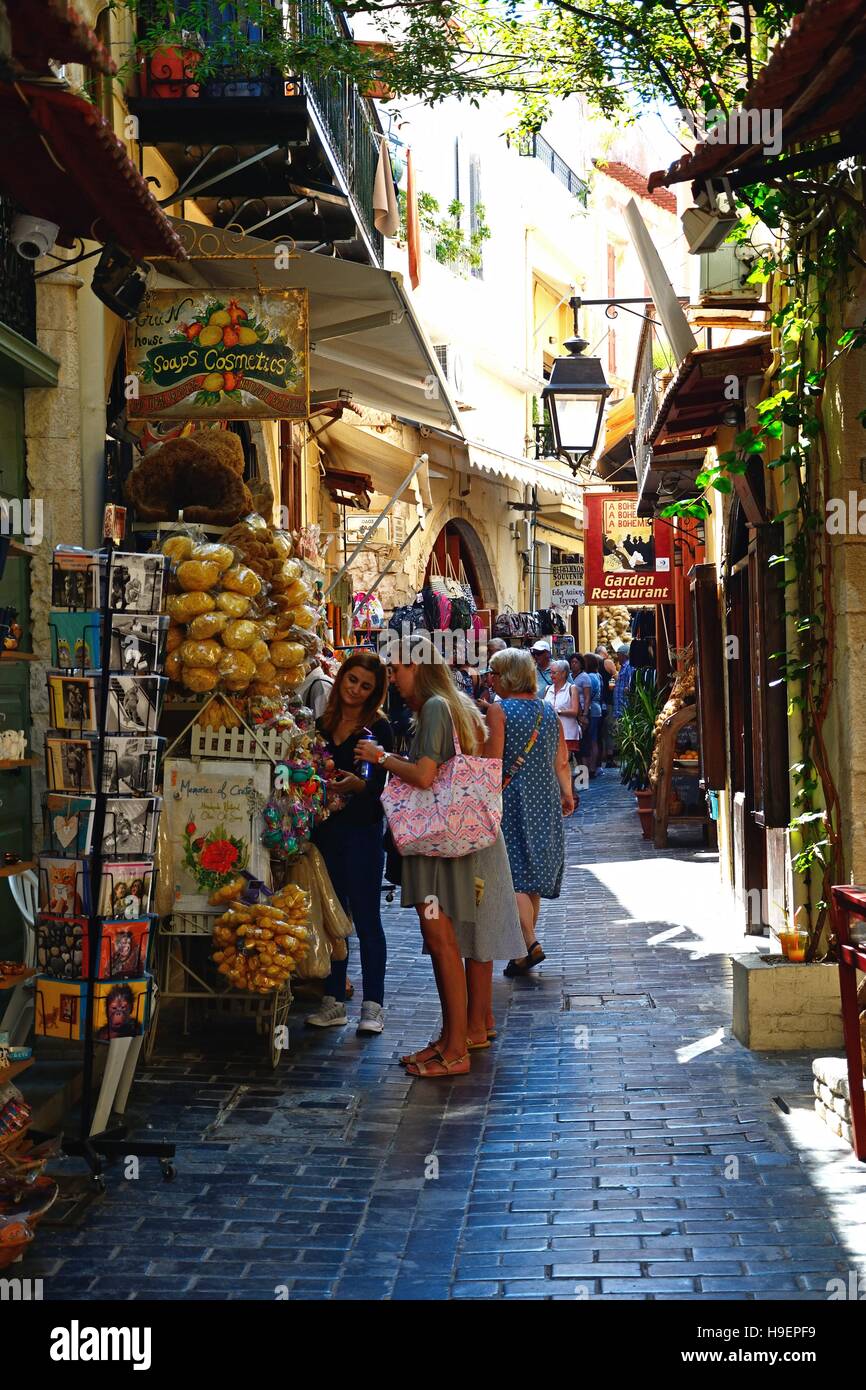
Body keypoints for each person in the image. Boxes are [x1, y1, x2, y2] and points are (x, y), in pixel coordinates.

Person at [357, 639, 523, 1078]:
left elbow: (425, 776)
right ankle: (451, 1040)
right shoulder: (457, 707)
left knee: (441, 943)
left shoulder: (433, 708)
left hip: (432, 850)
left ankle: (455, 1050)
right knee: (443, 943)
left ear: (420, 667)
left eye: (398, 669)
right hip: (448, 846)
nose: (392, 679)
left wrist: (381, 757)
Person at [306, 651, 392, 1036]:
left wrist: (361, 785)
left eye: (365, 686)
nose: (355, 690)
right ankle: (333, 1000)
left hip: (362, 831)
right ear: (340, 679)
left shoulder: (379, 729)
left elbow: (385, 786)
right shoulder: (322, 724)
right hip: (326, 830)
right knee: (332, 916)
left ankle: (373, 1005)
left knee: (367, 918)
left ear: (375, 692)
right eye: (351, 680)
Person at [486, 647, 574, 977]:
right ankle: (522, 954)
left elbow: (492, 764)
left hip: (511, 799)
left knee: (513, 875)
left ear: (507, 675)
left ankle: (529, 943)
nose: (490, 679)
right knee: (531, 876)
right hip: (545, 798)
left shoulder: (500, 711)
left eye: (494, 673)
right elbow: (562, 760)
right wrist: (567, 794)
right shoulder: (548, 712)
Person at [596, 644, 618, 767]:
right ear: (604, 654)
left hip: (596, 701)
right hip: (608, 701)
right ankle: (609, 757)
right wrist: (611, 685)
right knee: (610, 729)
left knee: (600, 730)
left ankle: (600, 758)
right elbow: (615, 676)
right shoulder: (607, 662)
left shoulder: (591, 663)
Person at [583, 652, 603, 777]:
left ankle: (591, 767)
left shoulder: (589, 677)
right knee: (594, 739)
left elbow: (587, 696)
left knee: (591, 739)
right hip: (598, 708)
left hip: (592, 709)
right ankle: (593, 766)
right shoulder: (598, 675)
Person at [476, 637, 506, 708]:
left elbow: (490, 682)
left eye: (490, 650)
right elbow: (485, 671)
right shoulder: (491, 662)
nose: (488, 653)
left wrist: (487, 705)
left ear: (499, 651)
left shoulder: (505, 665)